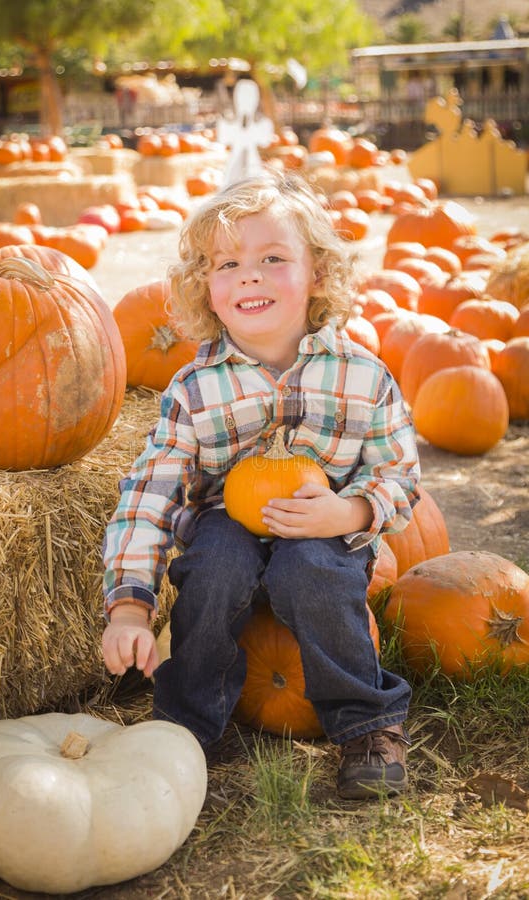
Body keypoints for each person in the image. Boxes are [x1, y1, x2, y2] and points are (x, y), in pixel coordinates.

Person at [101, 170, 421, 799]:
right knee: (213, 566)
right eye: (227, 264)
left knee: (315, 571)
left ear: (318, 276)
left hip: (322, 520)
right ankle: (185, 727)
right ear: (208, 291)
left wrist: (351, 511)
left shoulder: (364, 375)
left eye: (272, 258)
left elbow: (400, 476)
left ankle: (366, 725)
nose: (248, 274)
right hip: (228, 520)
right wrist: (130, 604)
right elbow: (151, 492)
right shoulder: (194, 389)